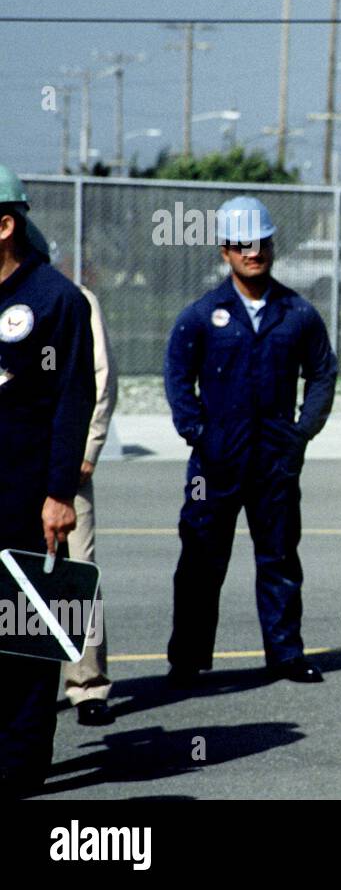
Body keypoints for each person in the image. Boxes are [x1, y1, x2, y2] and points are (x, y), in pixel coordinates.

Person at [164, 196, 338, 686]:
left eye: (260, 242)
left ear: (272, 245)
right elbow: (178, 373)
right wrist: (195, 431)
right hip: (213, 464)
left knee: (280, 556)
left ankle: (285, 655)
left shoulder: (297, 313)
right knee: (200, 557)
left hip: (274, 462)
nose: (252, 252)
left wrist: (302, 432)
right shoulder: (203, 314)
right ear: (225, 251)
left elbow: (323, 372)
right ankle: (188, 658)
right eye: (241, 244)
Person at [0, 165, 95, 797]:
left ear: (4, 225)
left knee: (26, 633)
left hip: (26, 493)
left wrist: (60, 494)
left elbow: (72, 398)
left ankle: (21, 765)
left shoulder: (55, 300)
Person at [33, 236, 118, 726]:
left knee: (74, 572)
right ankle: (25, 688)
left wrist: (85, 450)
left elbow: (98, 380)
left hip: (62, 466)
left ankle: (87, 684)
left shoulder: (74, 301)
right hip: (12, 464)